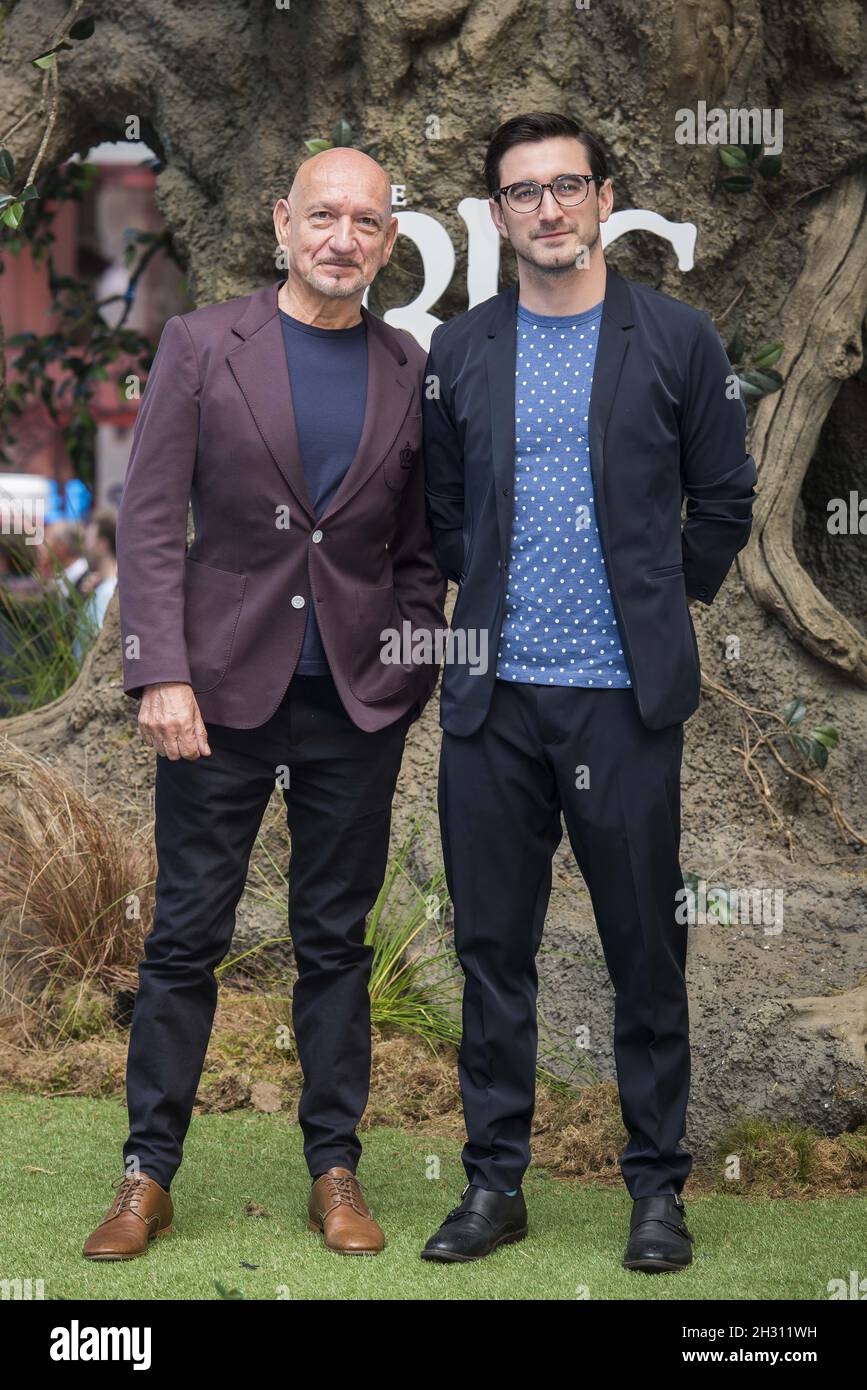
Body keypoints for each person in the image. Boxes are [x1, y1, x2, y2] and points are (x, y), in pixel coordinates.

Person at [83, 147, 446, 1262]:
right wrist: (160, 670)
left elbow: (422, 548)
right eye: (324, 215)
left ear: (390, 243)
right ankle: (149, 1174)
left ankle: (335, 1170)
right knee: (187, 936)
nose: (344, 237)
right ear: (281, 222)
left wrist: (411, 660)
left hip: (354, 701)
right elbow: (150, 522)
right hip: (216, 696)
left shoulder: (408, 368)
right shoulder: (200, 345)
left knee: (333, 940)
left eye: (368, 222)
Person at [421, 112, 757, 1270]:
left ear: (606, 197)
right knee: (490, 950)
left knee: (643, 951)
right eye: (523, 193)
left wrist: (661, 603)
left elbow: (723, 502)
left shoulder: (676, 338)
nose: (549, 210)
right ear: (499, 214)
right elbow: (445, 517)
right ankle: (491, 1185)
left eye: (568, 186)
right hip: (493, 703)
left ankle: (657, 1191)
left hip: (623, 704)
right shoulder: (462, 349)